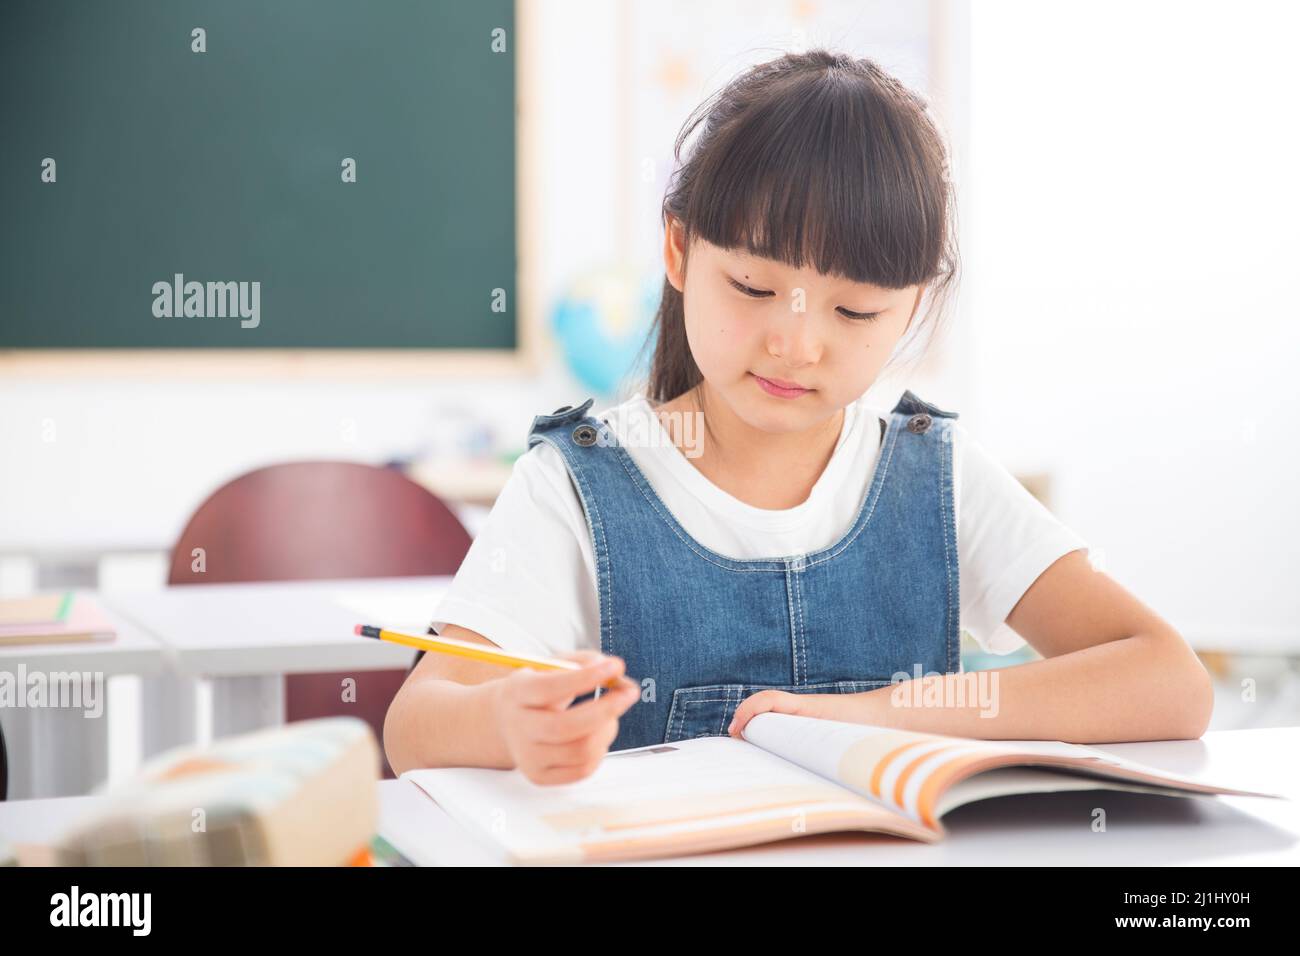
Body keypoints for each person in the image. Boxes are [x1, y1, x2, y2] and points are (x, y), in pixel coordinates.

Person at [384, 49, 1212, 785]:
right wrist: (508, 721)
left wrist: (881, 713)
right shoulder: (575, 484)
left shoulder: (937, 477)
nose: (797, 345)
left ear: (910, 307)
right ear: (678, 251)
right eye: (752, 289)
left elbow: (1167, 680)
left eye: (853, 313)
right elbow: (415, 726)